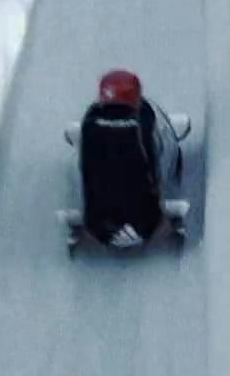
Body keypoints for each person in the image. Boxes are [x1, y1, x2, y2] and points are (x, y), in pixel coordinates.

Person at [76, 69, 182, 247]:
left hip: (98, 226)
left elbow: (85, 169)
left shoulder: (90, 124)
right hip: (145, 223)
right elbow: (157, 166)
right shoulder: (144, 121)